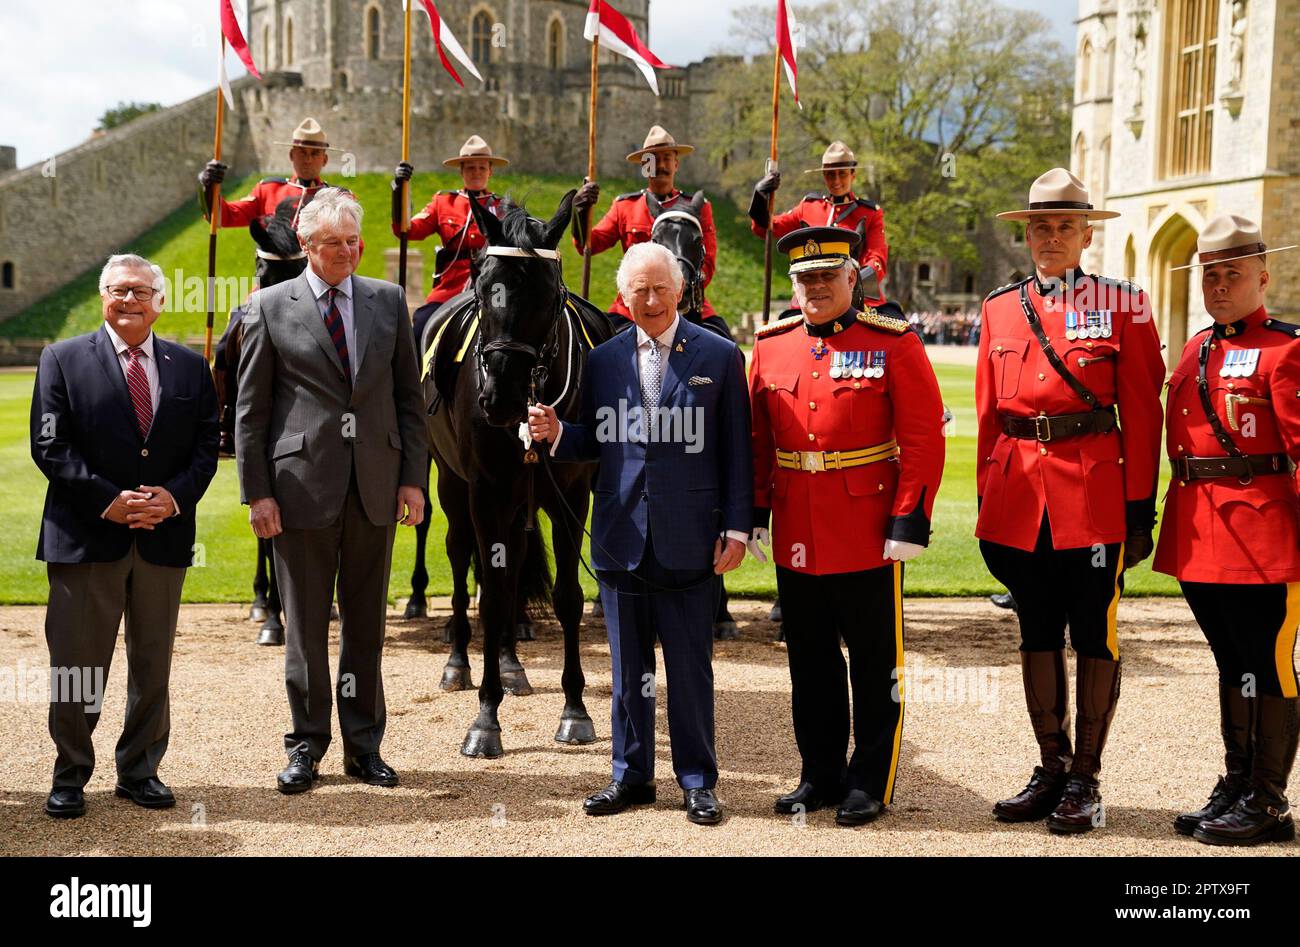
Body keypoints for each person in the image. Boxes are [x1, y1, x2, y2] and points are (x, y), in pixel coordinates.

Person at [527, 242, 752, 825]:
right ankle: (629, 776)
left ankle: (698, 780)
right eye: (639, 291)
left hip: (692, 537)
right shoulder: (603, 361)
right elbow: (595, 443)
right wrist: (556, 432)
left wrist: (737, 527)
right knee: (629, 673)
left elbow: (737, 452)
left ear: (680, 290)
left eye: (660, 288)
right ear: (622, 297)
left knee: (690, 668)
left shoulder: (722, 356)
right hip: (620, 537)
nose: (650, 300)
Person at [976, 168, 1165, 833]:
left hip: (1091, 498)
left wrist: (1139, 512)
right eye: (1040, 226)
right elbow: (988, 412)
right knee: (1034, 629)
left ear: (1087, 233)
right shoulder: (1000, 306)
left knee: (1093, 633)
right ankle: (1049, 764)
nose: (1051, 237)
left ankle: (1086, 775)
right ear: (1026, 233)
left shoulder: (1127, 304)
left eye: (1064, 226)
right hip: (1019, 497)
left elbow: (1142, 415)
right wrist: (986, 501)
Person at [748, 226, 945, 825]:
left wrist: (909, 517)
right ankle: (820, 773)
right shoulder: (772, 344)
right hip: (797, 526)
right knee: (809, 661)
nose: (815, 287)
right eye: (805, 279)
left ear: (852, 279)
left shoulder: (892, 342)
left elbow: (921, 435)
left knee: (874, 659)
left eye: (827, 276)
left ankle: (871, 779)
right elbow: (759, 440)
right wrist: (757, 513)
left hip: (867, 526)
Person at [235, 188, 429, 794]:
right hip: (298, 489)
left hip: (375, 486)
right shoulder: (268, 307)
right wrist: (257, 493)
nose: (346, 252)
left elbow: (408, 400)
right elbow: (251, 414)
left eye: (353, 242)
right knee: (306, 626)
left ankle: (364, 746)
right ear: (305, 244)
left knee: (367, 626)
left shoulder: (389, 301)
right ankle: (305, 745)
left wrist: (412, 480)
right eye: (333, 243)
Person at [31, 253, 220, 818]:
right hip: (87, 537)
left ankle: (140, 770)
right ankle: (70, 775)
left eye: (140, 291)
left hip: (163, 535)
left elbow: (207, 444)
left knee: (152, 663)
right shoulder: (61, 359)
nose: (129, 300)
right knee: (79, 664)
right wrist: (109, 502)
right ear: (102, 297)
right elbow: (51, 446)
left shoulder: (189, 367)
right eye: (118, 291)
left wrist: (173, 496)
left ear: (160, 301)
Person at [1153, 215, 1300, 846]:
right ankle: (1237, 782)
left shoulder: (1288, 348)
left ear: (1262, 278)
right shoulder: (1195, 348)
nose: (1217, 284)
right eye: (1209, 274)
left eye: (1231, 274)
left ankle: (1268, 800)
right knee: (1230, 660)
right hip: (1201, 530)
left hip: (1264, 533)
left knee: (1269, 664)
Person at [571, 125, 719, 325]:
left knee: (726, 348)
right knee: (602, 349)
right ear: (644, 165)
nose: (661, 166)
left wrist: (681, 291)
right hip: (632, 310)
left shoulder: (698, 208)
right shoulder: (625, 206)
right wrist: (580, 211)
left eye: (667, 158)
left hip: (687, 304)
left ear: (676, 164)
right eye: (653, 159)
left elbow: (707, 262)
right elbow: (589, 244)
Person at [198, 118, 357, 284]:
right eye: (302, 152)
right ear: (291, 155)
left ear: (324, 159)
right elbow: (223, 217)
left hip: (320, 286)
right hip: (269, 284)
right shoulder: (268, 189)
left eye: (314, 153)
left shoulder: (339, 199)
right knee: (240, 311)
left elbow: (354, 249)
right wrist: (209, 187)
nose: (308, 159)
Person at [392, 134, 510, 345]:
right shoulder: (444, 202)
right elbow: (408, 230)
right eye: (470, 167)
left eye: (482, 168)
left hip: (495, 290)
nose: (476, 173)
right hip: (450, 290)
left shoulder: (505, 208)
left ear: (490, 171)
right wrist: (399, 191)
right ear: (461, 171)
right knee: (419, 330)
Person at [749, 141, 889, 303]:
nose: (836, 181)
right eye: (830, 174)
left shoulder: (870, 213)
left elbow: (877, 258)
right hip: (812, 292)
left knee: (896, 324)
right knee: (785, 325)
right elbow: (766, 228)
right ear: (824, 176)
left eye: (842, 174)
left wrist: (855, 283)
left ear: (853, 175)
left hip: (856, 293)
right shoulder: (808, 207)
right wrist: (760, 195)